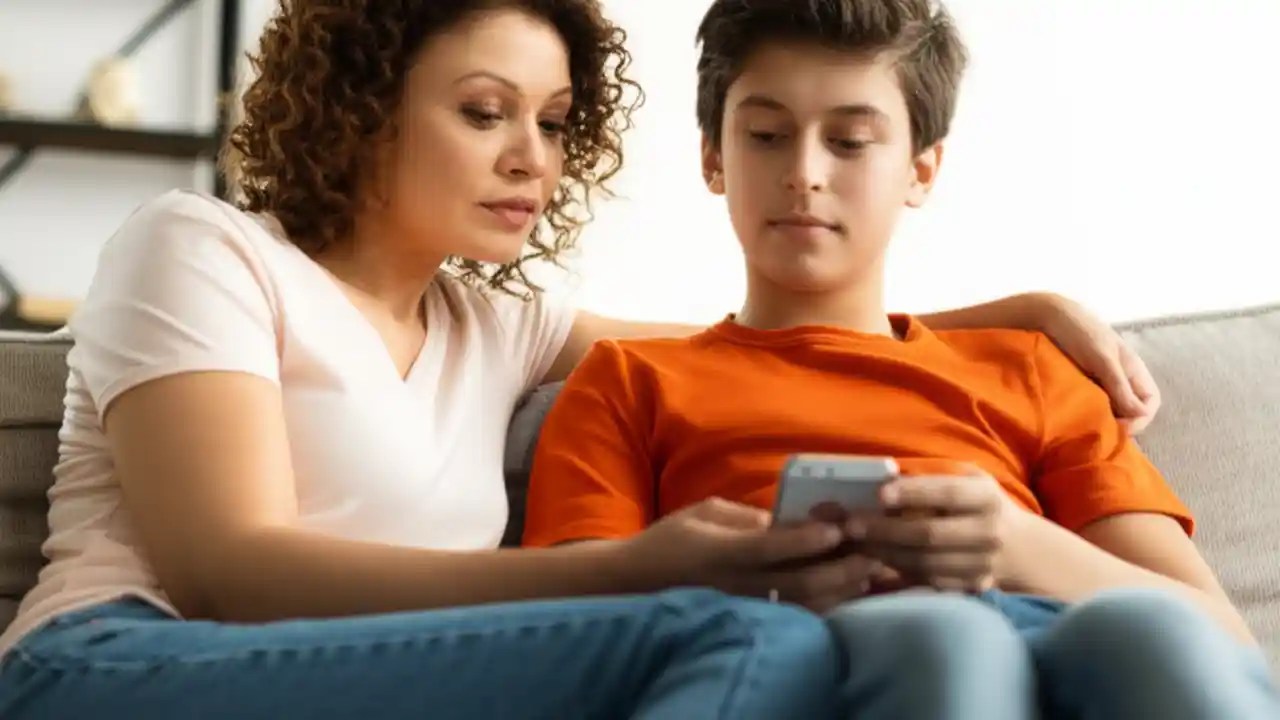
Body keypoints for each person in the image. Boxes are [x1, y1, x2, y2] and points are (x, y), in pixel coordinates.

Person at [0, 1, 1167, 718]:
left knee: (780, 641)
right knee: (742, 631)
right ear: (363, 108)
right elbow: (229, 576)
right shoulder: (198, 247)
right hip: (121, 663)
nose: (531, 159)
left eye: (554, 123)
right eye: (484, 112)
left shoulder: (496, 326)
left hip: (371, 675)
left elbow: (761, 346)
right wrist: (629, 571)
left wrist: (1011, 313)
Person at [520, 1, 1280, 719]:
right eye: (766, 136)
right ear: (714, 158)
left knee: (1148, 633)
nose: (805, 173)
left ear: (920, 170)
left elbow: (1222, 635)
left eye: (849, 141)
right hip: (794, 663)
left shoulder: (1032, 372)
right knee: (942, 638)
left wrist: (1015, 542)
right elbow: (589, 634)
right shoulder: (626, 382)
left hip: (1060, 644)